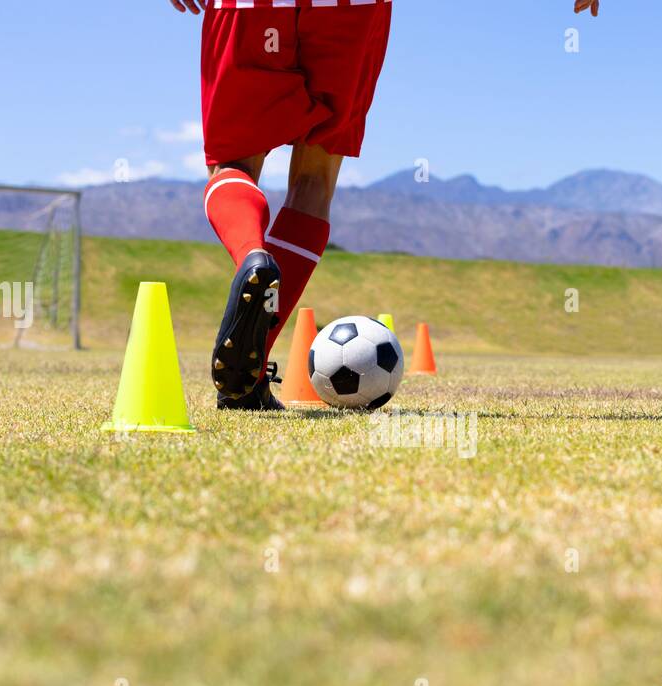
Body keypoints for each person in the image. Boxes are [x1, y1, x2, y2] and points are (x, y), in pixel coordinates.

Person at [169, 0, 601, 410]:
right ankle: (250, 370)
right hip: (350, 12)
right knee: (313, 183)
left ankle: (252, 256)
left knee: (234, 163)